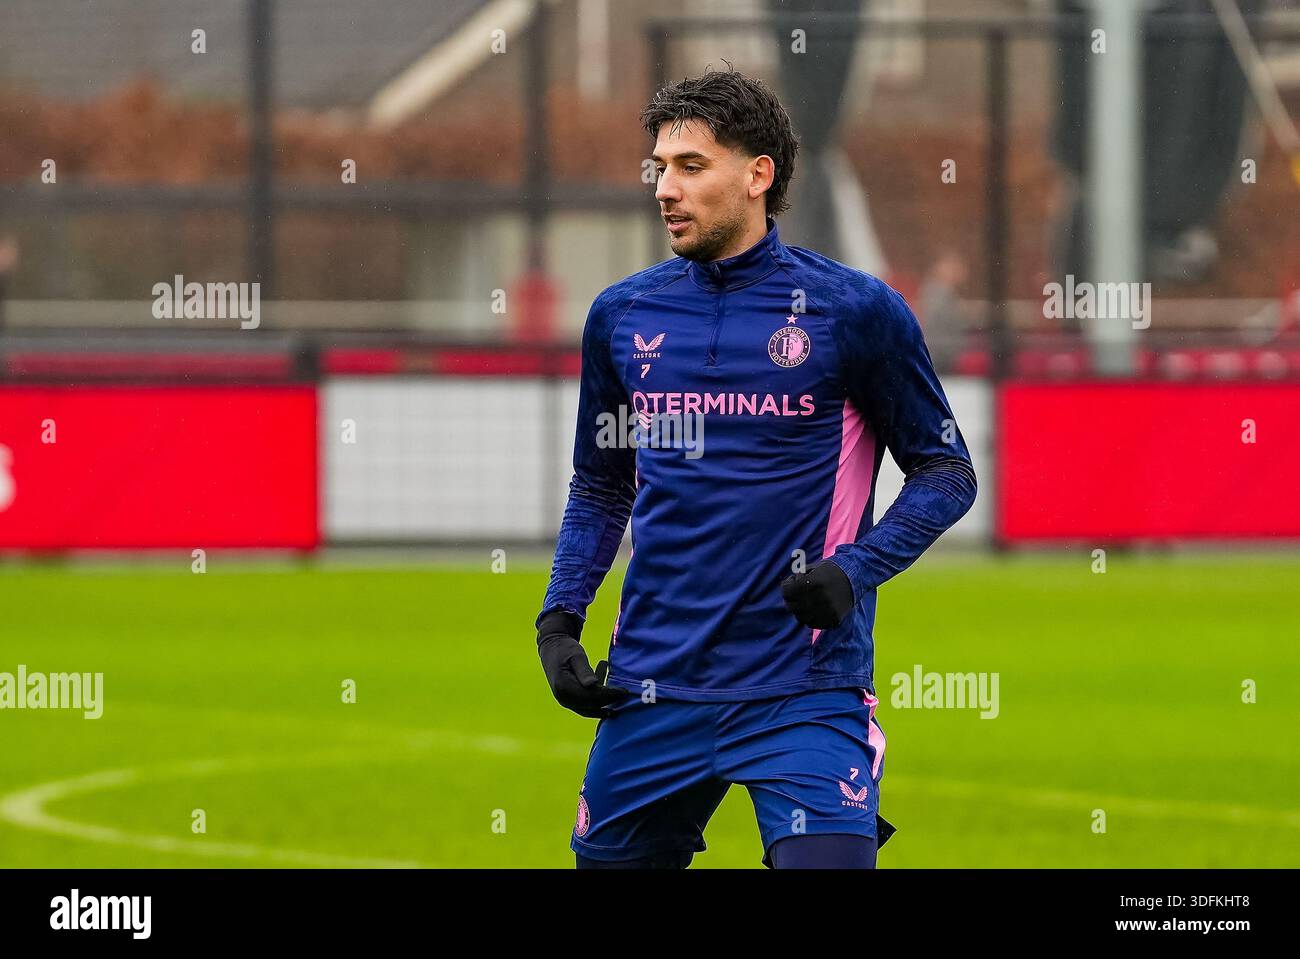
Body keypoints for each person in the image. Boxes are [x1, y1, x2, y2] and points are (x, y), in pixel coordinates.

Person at [535, 66, 976, 869]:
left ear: (757, 176)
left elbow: (946, 470)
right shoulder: (622, 316)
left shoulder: (855, 311)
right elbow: (601, 483)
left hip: (803, 686)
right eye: (660, 167)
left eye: (691, 167)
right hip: (653, 685)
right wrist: (560, 619)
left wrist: (853, 570)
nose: (665, 188)